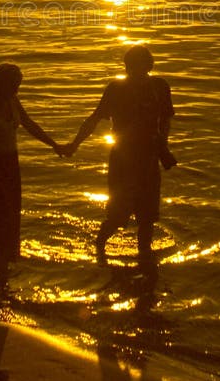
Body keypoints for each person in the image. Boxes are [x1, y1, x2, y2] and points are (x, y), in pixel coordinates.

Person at [65, 45, 176, 267]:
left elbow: (166, 118)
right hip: (123, 158)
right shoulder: (116, 89)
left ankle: (145, 259)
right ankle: (99, 250)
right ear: (126, 66)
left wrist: (163, 144)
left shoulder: (160, 87)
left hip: (150, 157)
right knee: (117, 215)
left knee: (148, 217)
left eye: (139, 65)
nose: (134, 70)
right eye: (131, 66)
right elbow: (95, 119)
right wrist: (74, 144)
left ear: (148, 65)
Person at [0, 62, 62, 291]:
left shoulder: (12, 101)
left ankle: (1, 275)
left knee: (9, 220)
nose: (17, 90)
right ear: (1, 84)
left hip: (10, 166)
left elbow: (29, 125)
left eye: (18, 86)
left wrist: (54, 145)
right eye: (13, 85)